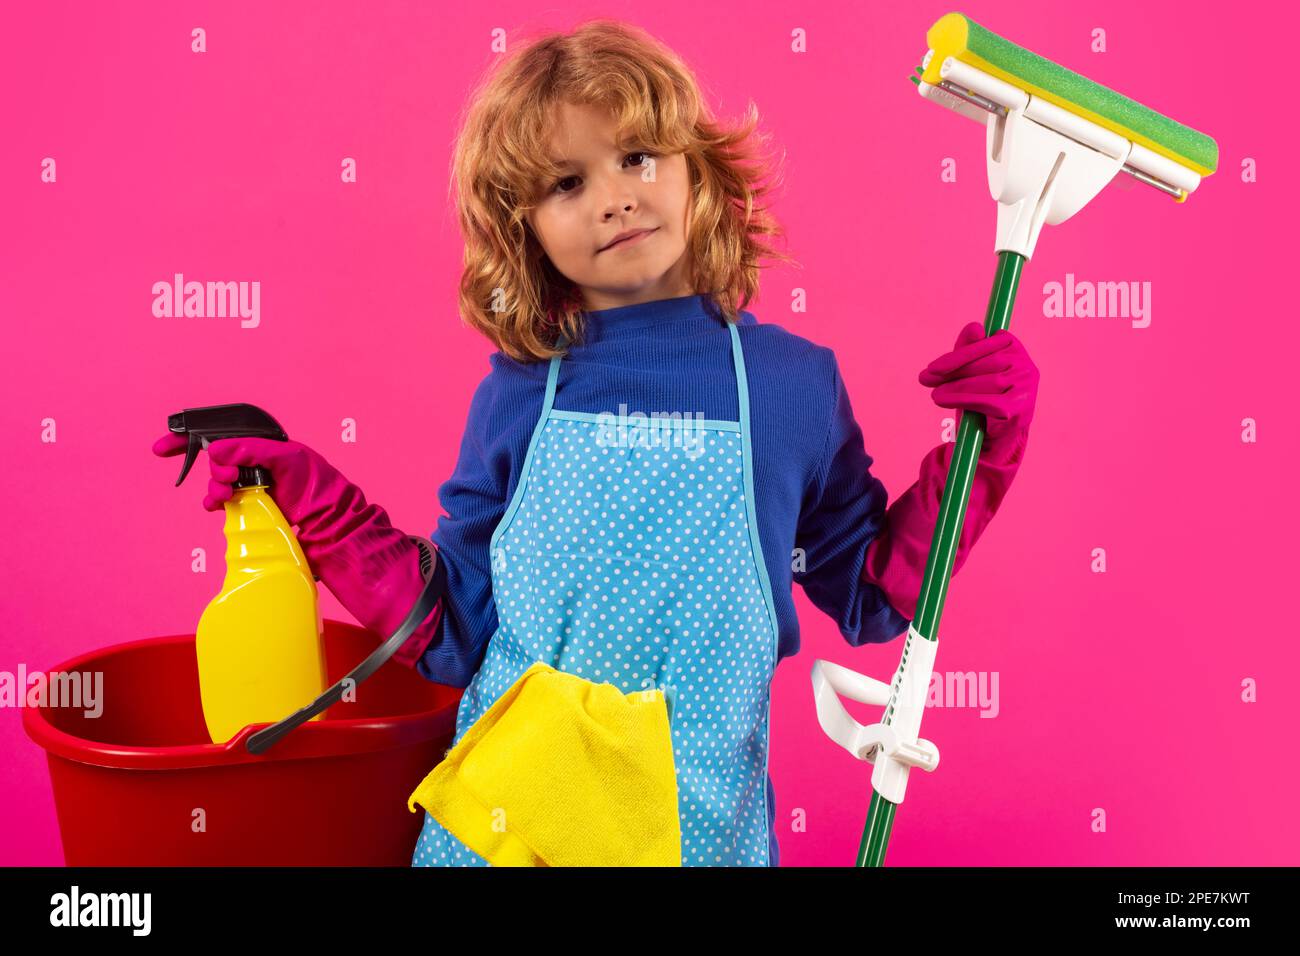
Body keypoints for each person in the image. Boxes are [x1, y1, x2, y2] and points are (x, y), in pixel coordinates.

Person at [153, 19, 1039, 867]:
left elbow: (875, 595)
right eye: (565, 184)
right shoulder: (519, 390)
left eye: (638, 156)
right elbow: (453, 629)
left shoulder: (791, 387)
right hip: (510, 837)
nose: (613, 196)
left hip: (700, 837)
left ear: (699, 168)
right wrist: (311, 494)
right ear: (525, 231)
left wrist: (982, 452)